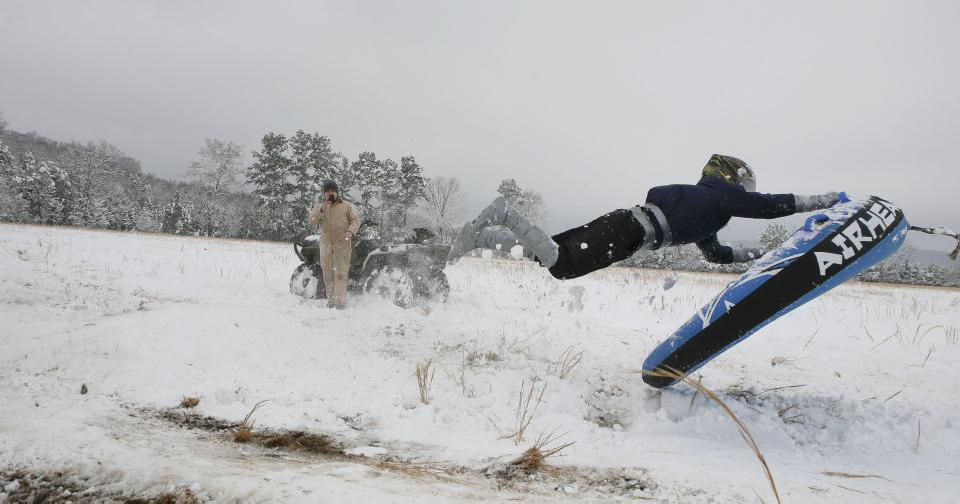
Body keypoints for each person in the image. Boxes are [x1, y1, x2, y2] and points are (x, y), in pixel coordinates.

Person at [446, 154, 841, 279]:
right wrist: (825, 201)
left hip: (627, 226)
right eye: (745, 186)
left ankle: (477, 239)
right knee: (561, 266)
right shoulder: (718, 196)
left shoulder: (710, 212)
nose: (747, 195)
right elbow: (768, 206)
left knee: (543, 252)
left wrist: (760, 256)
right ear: (729, 177)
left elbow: (714, 256)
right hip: (629, 230)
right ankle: (505, 212)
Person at [308, 180, 361, 308]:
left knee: (341, 275)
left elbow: (356, 220)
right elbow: (312, 221)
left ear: (337, 192)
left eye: (333, 191)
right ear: (324, 193)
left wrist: (350, 232)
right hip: (326, 247)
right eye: (328, 191)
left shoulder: (347, 206)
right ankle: (331, 302)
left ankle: (340, 303)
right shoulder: (319, 207)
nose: (331, 193)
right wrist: (322, 209)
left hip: (342, 246)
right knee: (328, 275)